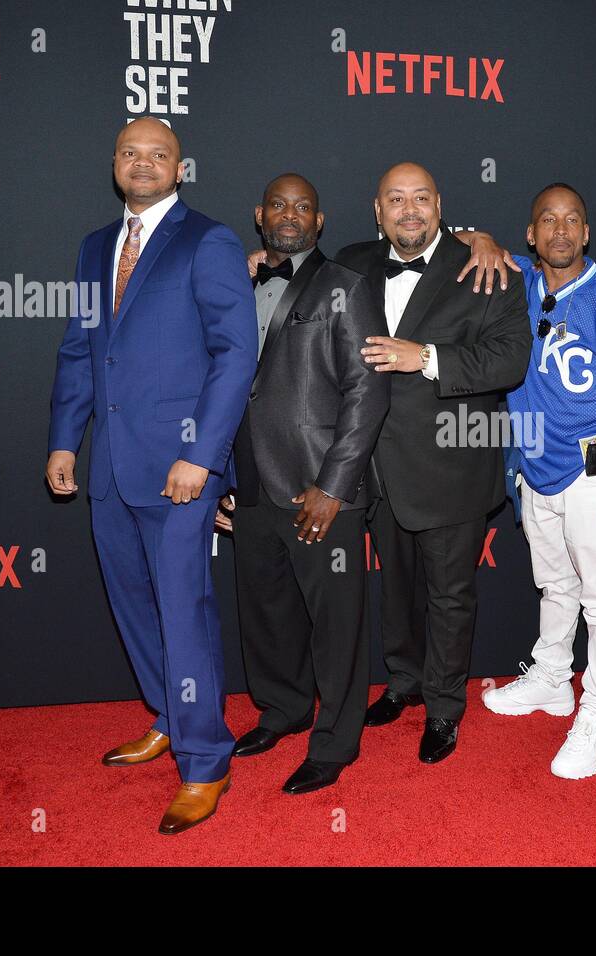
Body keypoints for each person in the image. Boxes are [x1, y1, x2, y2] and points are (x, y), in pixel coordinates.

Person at [46, 117, 258, 833]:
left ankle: (206, 760)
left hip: (180, 468)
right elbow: (80, 351)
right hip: (108, 464)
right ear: (115, 164)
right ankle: (168, 717)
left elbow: (235, 354)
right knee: (134, 606)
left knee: (183, 611)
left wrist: (202, 456)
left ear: (180, 167)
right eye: (131, 154)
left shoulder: (210, 240)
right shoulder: (94, 247)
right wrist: (64, 442)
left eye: (158, 154)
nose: (144, 164)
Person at [334, 162, 532, 764]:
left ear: (441, 205)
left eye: (421, 197)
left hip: (452, 463)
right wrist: (262, 266)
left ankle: (445, 708)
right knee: (394, 589)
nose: (409, 210)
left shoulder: (486, 269)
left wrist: (426, 357)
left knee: (449, 596)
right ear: (378, 210)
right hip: (374, 469)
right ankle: (403, 681)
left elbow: (509, 362)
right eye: (396, 199)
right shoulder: (354, 262)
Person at [481, 183, 596, 779]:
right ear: (531, 234)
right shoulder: (519, 282)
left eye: (572, 221)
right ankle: (554, 680)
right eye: (547, 221)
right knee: (554, 584)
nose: (560, 231)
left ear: (586, 233)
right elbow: (459, 244)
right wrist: (478, 238)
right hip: (537, 466)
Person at [221, 174, 389, 796]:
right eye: (279, 205)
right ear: (259, 214)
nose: (290, 215)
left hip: (320, 489)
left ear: (320, 222)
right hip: (250, 484)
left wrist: (335, 484)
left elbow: (368, 393)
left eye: (304, 207)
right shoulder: (233, 289)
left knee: (335, 624)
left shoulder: (347, 287)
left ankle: (336, 742)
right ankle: (283, 710)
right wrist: (219, 474)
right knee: (265, 613)